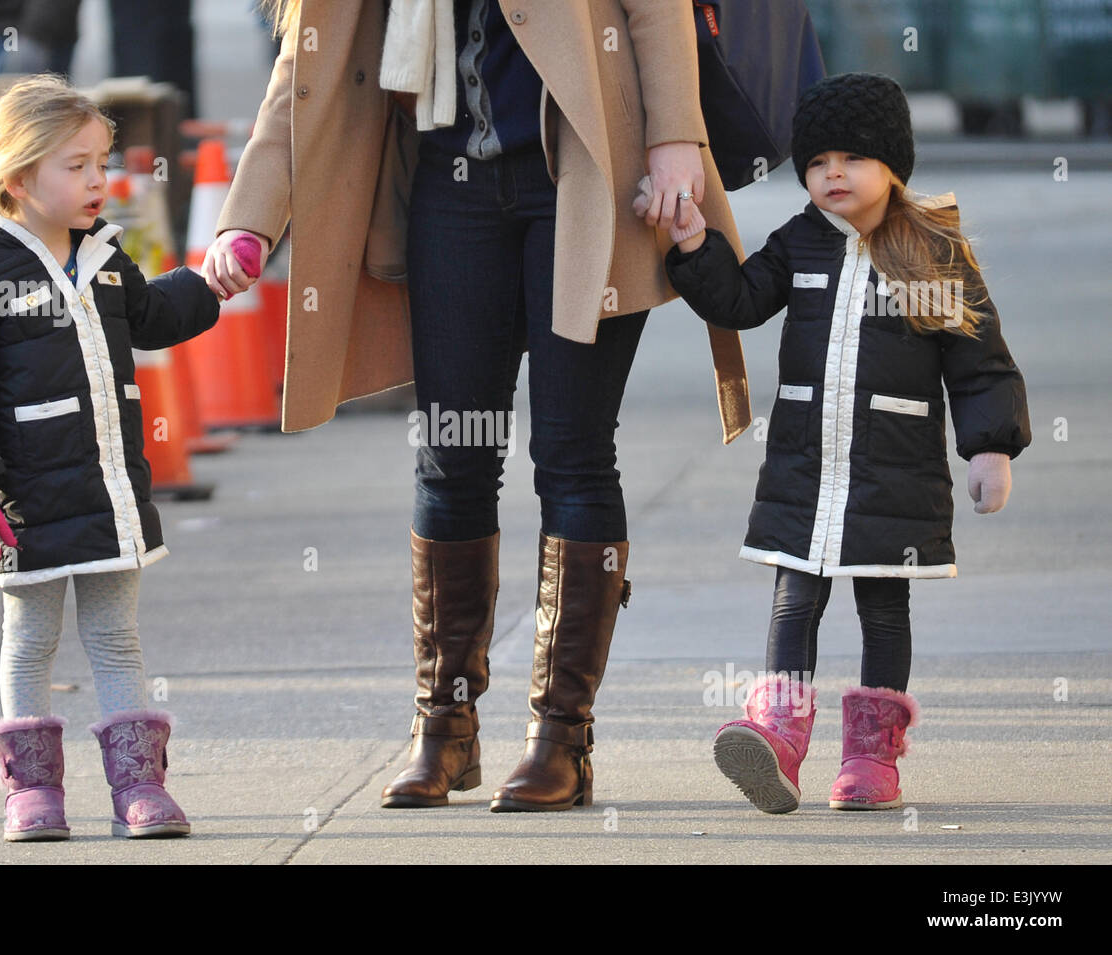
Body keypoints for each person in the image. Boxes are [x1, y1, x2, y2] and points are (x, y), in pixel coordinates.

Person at [202, 0, 751, 812]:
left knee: (573, 451)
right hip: (448, 190)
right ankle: (444, 726)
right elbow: (307, 70)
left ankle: (563, 735)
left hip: (588, 170)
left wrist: (676, 139)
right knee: (452, 455)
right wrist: (249, 222)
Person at [663, 73, 1031, 814]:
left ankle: (871, 757)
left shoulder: (928, 251)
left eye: (853, 158)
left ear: (893, 166)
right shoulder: (800, 242)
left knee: (883, 608)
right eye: (818, 160)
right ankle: (778, 739)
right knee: (793, 597)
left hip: (893, 476)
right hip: (805, 467)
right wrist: (696, 245)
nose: (833, 172)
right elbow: (739, 300)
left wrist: (989, 446)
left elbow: (977, 356)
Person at [0, 75, 224, 840]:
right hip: (22, 501)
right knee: (30, 637)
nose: (99, 179)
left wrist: (214, 280)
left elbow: (151, 315)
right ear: (21, 177)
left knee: (117, 636)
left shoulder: (102, 255)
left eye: (102, 161)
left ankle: (138, 786)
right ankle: (32, 792)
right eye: (77, 165)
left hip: (108, 490)